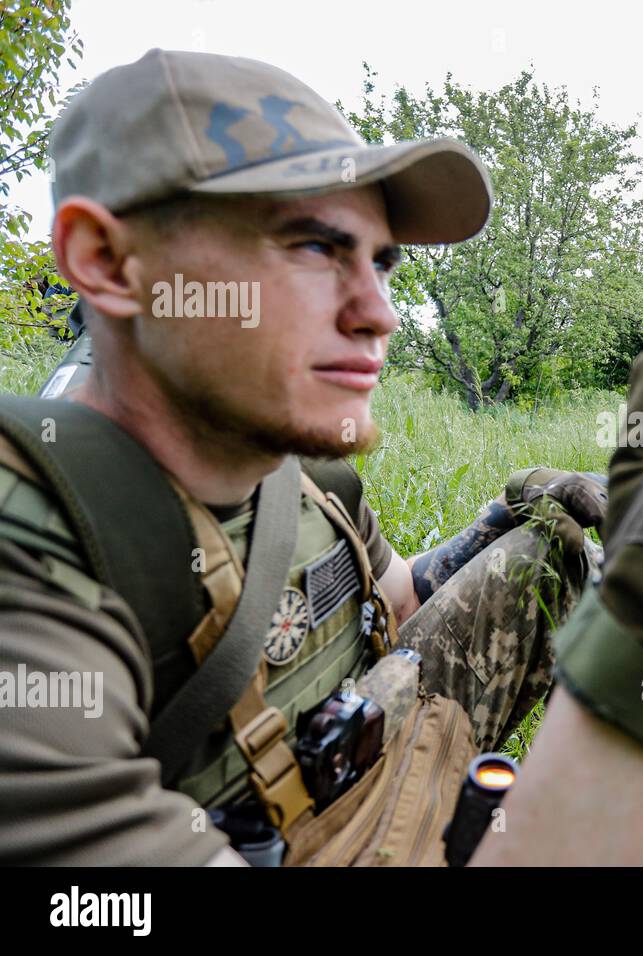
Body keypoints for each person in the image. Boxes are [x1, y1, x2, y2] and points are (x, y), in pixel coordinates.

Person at [0, 49, 604, 865]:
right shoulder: (31, 562)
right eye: (314, 249)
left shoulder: (295, 464)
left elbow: (394, 602)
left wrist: (507, 518)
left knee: (551, 549)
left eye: (381, 260)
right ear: (107, 262)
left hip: (357, 772)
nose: (379, 314)